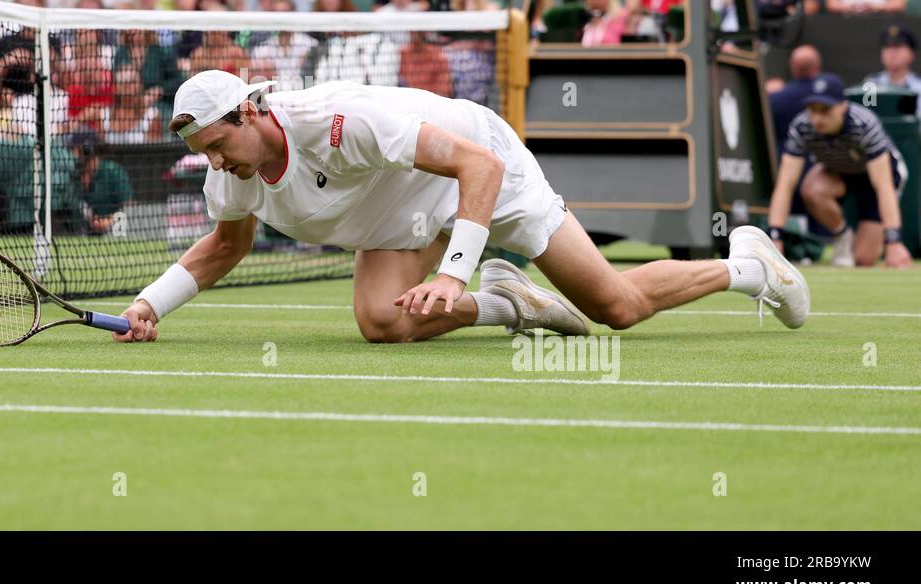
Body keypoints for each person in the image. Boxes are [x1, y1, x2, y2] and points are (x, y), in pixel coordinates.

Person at [110, 71, 811, 343]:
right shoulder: (232, 173)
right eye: (203, 152)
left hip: (480, 164)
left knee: (616, 309)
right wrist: (151, 303)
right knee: (383, 324)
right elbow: (225, 248)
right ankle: (514, 305)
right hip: (399, 207)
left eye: (218, 144)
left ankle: (747, 266)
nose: (215, 161)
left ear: (251, 112)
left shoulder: (340, 120)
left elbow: (476, 165)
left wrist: (452, 270)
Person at [766, 73, 911, 270]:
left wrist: (893, 241)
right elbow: (785, 184)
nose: (817, 117)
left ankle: (875, 243)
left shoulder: (864, 124)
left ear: (842, 106)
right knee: (812, 189)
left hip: (876, 177)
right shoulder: (802, 126)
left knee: (864, 259)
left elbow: (884, 187)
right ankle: (843, 237)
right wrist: (776, 237)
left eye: (825, 109)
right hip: (839, 172)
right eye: (812, 109)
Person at [864, 25, 921, 94]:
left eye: (897, 47)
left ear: (912, 54)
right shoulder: (871, 84)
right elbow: (864, 103)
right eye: (887, 47)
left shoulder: (918, 86)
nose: (892, 52)